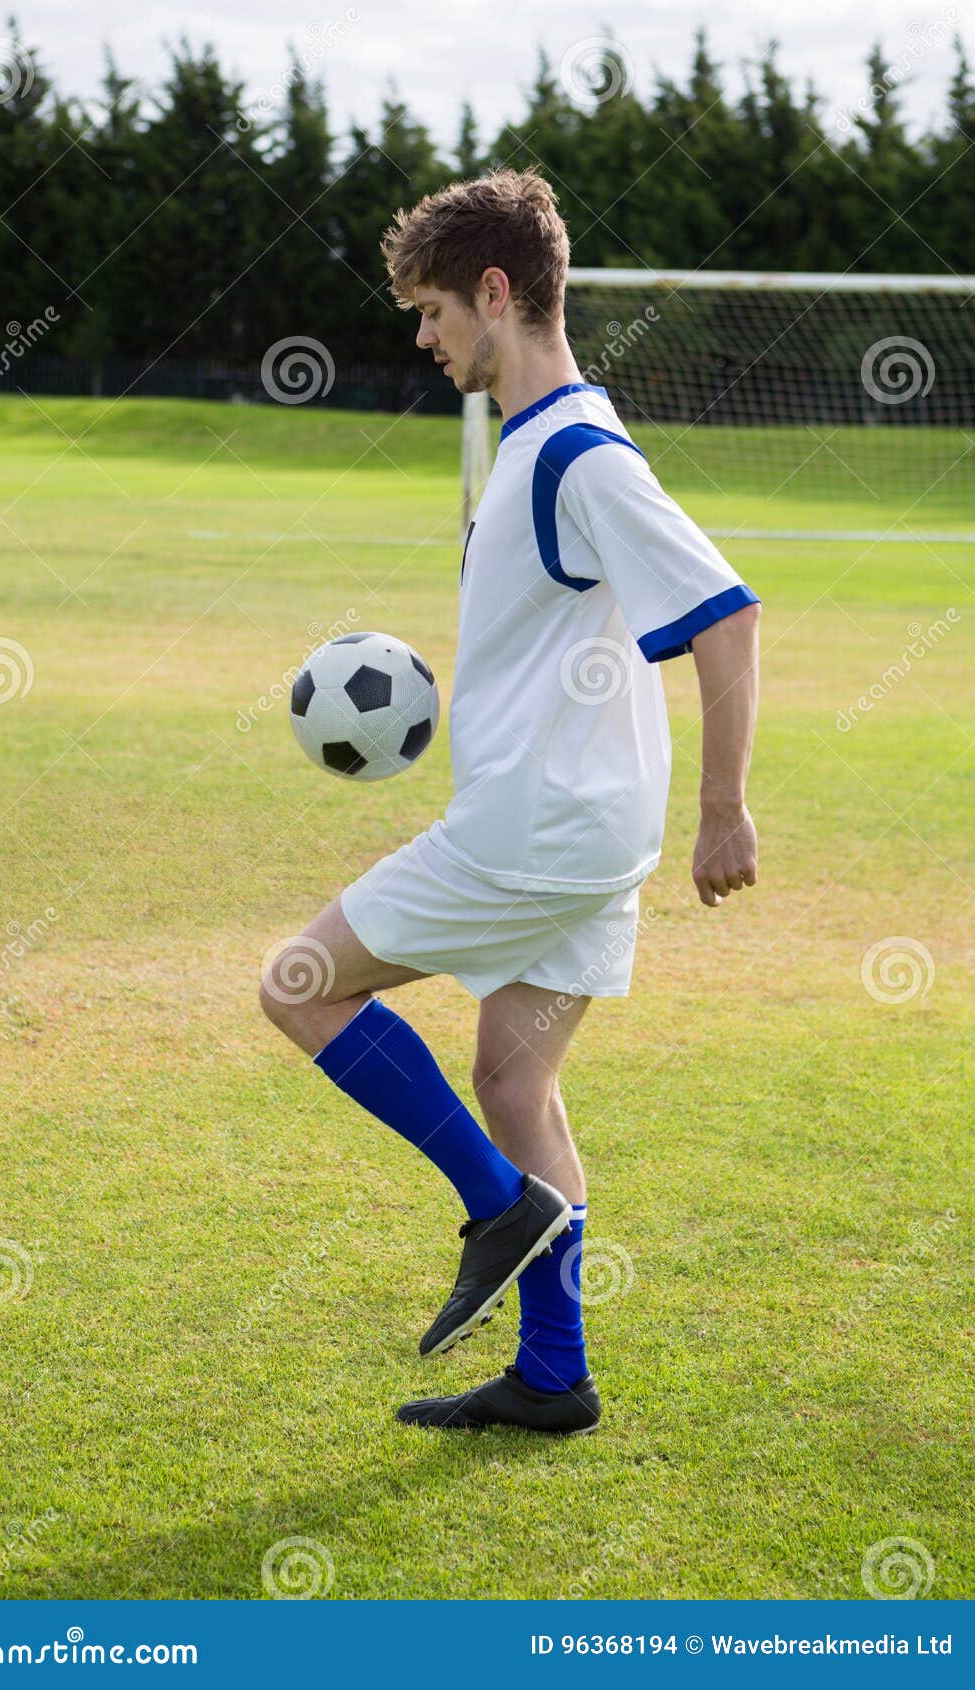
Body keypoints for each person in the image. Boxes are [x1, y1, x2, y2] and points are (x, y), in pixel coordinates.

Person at [260, 167, 760, 1435]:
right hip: (584, 834)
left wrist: (726, 811)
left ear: (496, 293)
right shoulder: (541, 445)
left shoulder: (579, 453)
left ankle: (496, 1205)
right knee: (515, 1082)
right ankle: (553, 1376)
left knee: (299, 984)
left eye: (431, 310)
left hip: (534, 834)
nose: (421, 337)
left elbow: (727, 615)